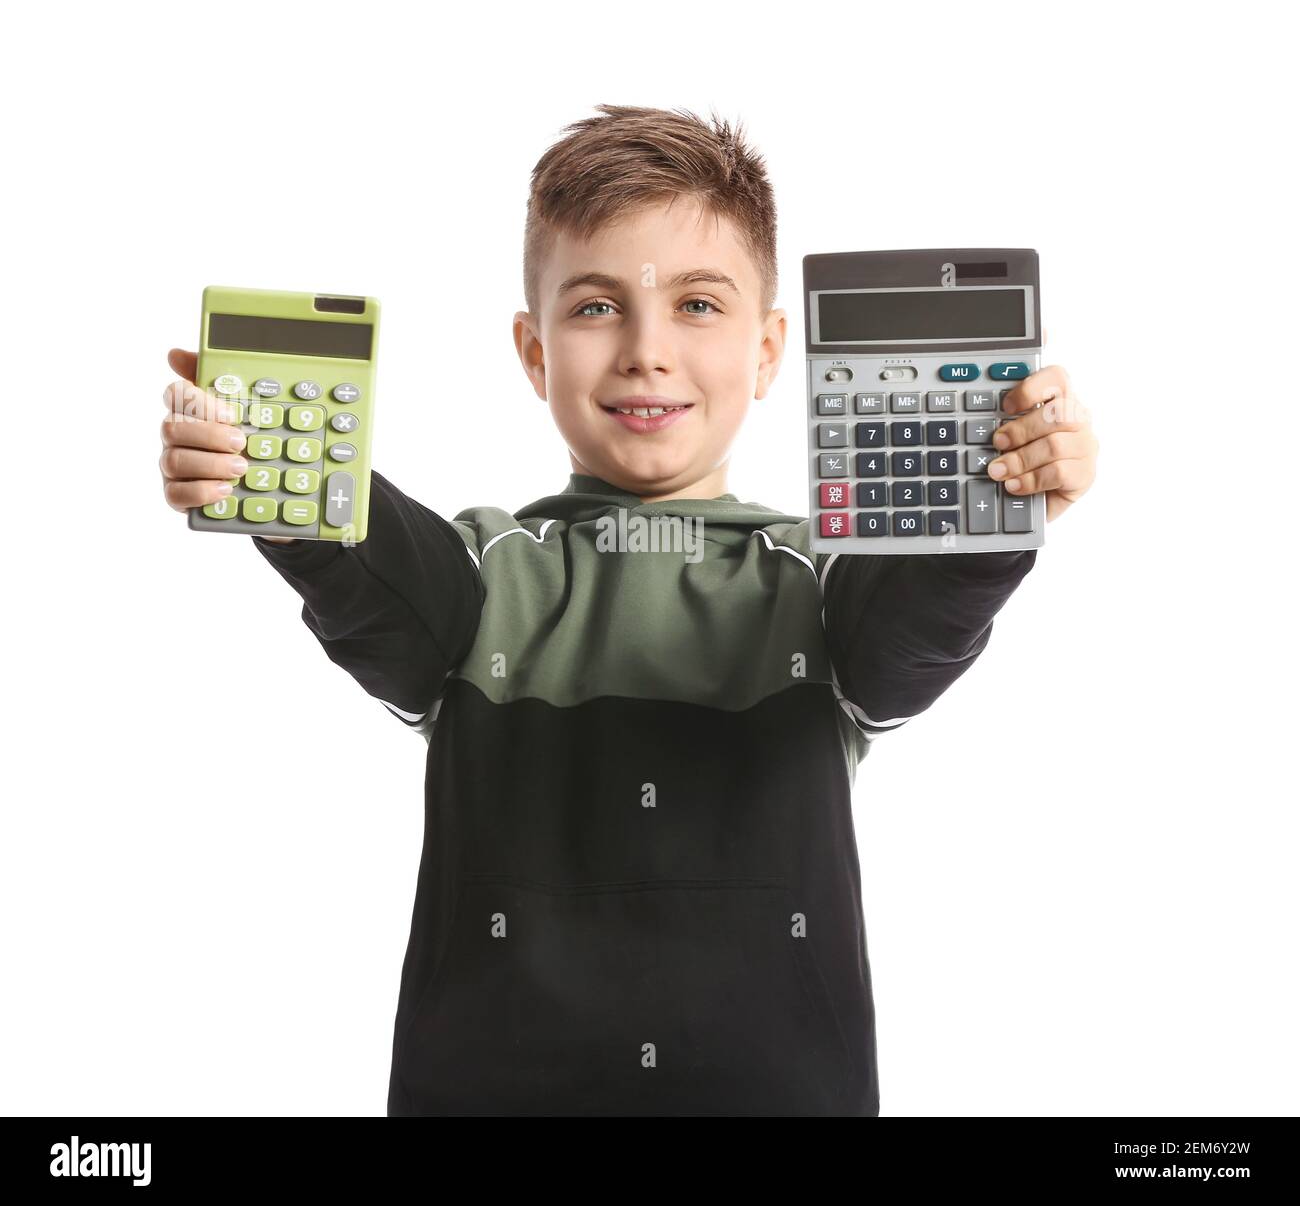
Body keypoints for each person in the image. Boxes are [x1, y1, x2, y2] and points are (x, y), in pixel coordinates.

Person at [158, 103, 1099, 1116]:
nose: (647, 351)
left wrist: (998, 511)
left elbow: (907, 630)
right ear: (533, 353)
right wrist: (282, 485)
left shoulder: (816, 580)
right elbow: (383, 579)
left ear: (771, 349)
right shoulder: (484, 578)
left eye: (698, 305)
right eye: (597, 307)